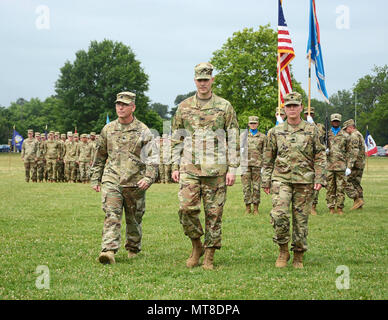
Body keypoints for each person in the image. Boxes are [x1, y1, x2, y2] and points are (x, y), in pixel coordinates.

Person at [171, 62, 240, 270]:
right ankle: (196, 245)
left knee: (214, 214)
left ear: (212, 80)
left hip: (216, 170)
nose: (203, 83)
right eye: (199, 80)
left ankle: (209, 256)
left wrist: (233, 168)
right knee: (185, 209)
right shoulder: (183, 107)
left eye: (206, 79)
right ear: (195, 80)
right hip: (189, 168)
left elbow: (234, 137)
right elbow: (176, 137)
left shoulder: (224, 106)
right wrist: (174, 165)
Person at [91, 91, 158, 264]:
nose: (120, 107)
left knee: (134, 218)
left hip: (135, 182)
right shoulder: (108, 129)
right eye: (118, 104)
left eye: (125, 104)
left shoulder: (143, 131)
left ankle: (133, 247)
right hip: (112, 178)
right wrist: (95, 178)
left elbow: (152, 157)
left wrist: (148, 178)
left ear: (133, 107)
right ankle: (108, 250)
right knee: (112, 213)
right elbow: (100, 155)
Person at [262, 92, 326, 268]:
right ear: (284, 108)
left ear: (301, 108)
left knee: (301, 220)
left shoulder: (312, 130)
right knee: (279, 215)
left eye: (295, 105)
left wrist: (319, 176)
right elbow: (268, 158)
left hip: (304, 181)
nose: (291, 109)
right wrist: (265, 180)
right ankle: (283, 250)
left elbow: (320, 155)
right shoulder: (275, 131)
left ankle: (298, 254)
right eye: (288, 106)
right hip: (281, 179)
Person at [241, 116, 267, 215]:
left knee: (256, 187)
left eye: (254, 123)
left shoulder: (263, 137)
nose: (253, 125)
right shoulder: (243, 136)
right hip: (245, 165)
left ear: (258, 124)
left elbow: (265, 151)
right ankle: (247, 208)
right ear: (248, 124)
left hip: (257, 164)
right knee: (246, 187)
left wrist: (264, 164)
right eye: (251, 123)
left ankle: (256, 208)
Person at [302, 106, 326, 215]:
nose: (308, 115)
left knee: (315, 182)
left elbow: (320, 138)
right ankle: (303, 205)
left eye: (311, 114)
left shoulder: (319, 126)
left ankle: (313, 206)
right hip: (303, 159)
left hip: (314, 159)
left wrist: (313, 125)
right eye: (306, 114)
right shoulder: (300, 126)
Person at [326, 113, 349, 215]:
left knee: (340, 188)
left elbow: (350, 151)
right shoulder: (326, 134)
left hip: (341, 165)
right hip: (329, 165)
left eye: (337, 121)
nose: (335, 122)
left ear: (339, 122)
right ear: (331, 122)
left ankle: (339, 208)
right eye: (334, 121)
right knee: (330, 188)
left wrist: (349, 166)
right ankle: (331, 207)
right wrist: (324, 150)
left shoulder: (345, 135)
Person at [343, 119, 366, 210]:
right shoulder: (359, 134)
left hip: (355, 164)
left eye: (346, 129)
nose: (345, 131)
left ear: (350, 127)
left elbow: (354, 151)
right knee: (356, 183)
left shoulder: (354, 136)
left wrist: (349, 166)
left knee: (345, 181)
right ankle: (359, 204)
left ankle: (357, 199)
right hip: (360, 163)